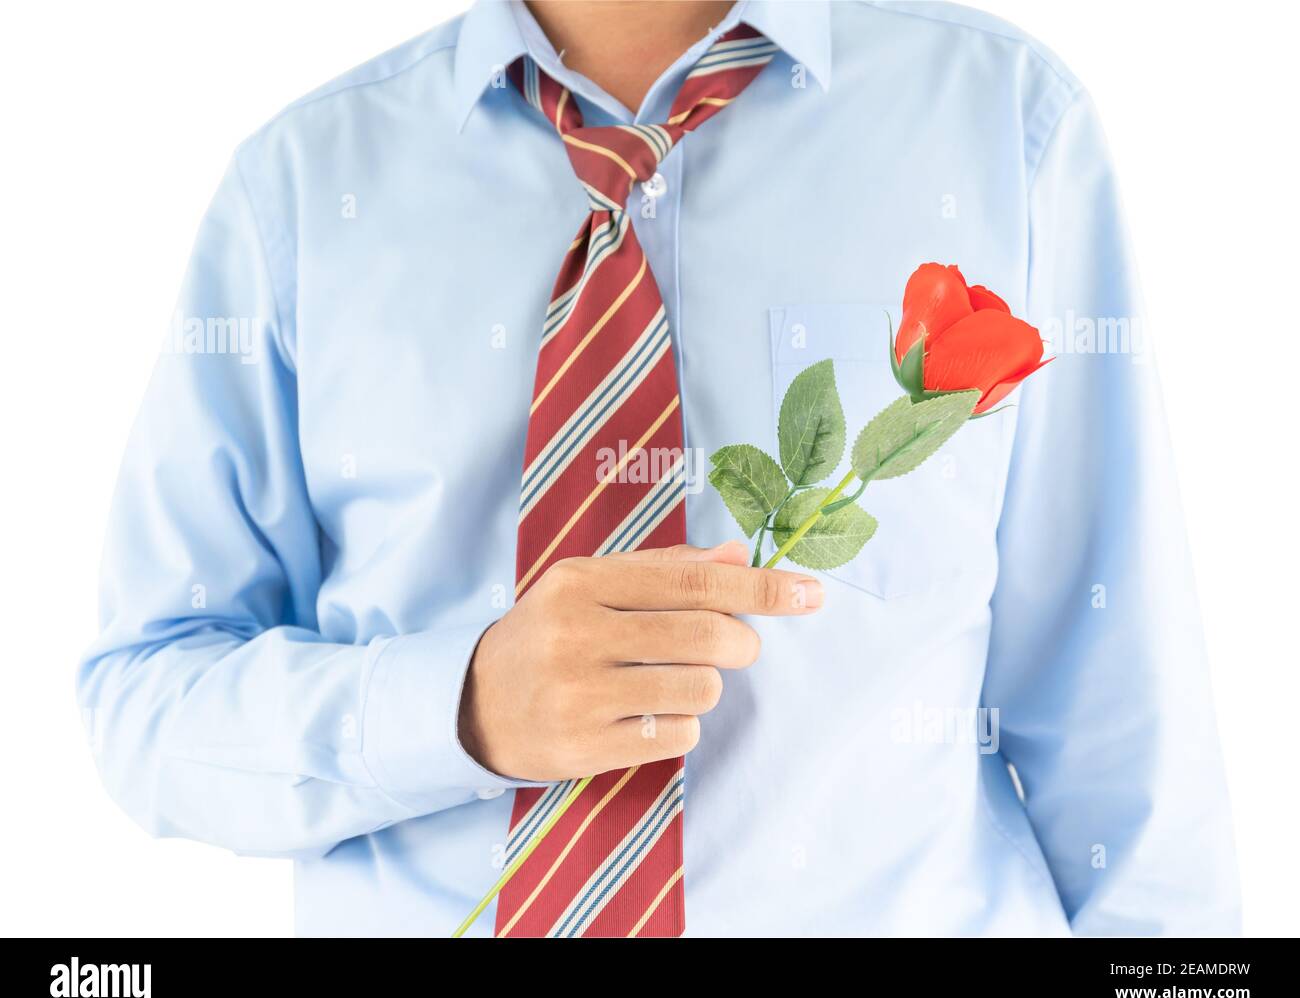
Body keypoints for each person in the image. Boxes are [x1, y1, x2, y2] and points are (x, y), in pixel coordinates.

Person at [79, 0, 1238, 937]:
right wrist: (458, 708)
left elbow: (1120, 716)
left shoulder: (1002, 123)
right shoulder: (297, 189)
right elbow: (143, 696)